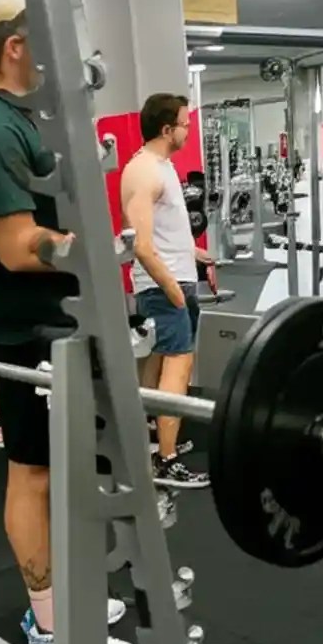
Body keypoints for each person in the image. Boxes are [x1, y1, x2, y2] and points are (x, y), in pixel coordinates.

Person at [0, 0, 136, 644]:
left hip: (63, 323)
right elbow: (17, 245)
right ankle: (50, 623)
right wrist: (91, 245)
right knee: (32, 473)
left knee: (70, 468)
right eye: (50, 40)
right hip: (28, 333)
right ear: (17, 46)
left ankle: (69, 588)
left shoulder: (32, 121)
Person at [120, 93, 211, 490]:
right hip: (162, 286)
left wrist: (198, 255)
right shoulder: (143, 171)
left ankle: (153, 443)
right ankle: (165, 460)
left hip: (175, 277)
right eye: (184, 124)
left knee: (154, 369)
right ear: (166, 129)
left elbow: (166, 233)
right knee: (177, 367)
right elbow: (140, 244)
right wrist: (174, 289)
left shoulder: (163, 167)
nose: (189, 130)